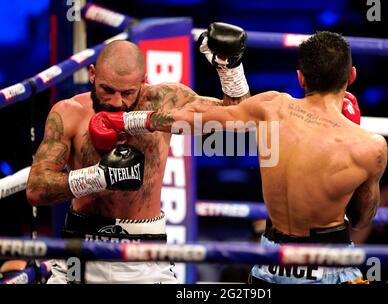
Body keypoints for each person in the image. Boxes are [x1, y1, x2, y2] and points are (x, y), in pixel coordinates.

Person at [91, 31, 387, 284]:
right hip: (330, 266)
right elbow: (361, 219)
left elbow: (197, 119)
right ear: (351, 76)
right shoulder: (369, 147)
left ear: (300, 78)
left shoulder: (271, 107)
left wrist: (126, 122)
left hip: (270, 264)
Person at [26, 22, 250, 283]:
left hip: (145, 257)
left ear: (144, 83)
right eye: (107, 90)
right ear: (92, 74)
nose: (116, 102)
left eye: (127, 92)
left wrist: (229, 69)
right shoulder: (69, 113)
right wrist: (97, 177)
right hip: (80, 249)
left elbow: (240, 120)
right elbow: (36, 189)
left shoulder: (165, 102)